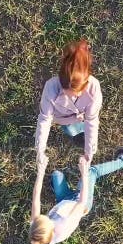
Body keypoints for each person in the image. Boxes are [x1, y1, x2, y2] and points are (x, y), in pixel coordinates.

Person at [30, 147, 123, 244]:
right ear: (52, 229)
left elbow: (36, 197)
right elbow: (82, 201)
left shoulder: (37, 229)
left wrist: (41, 172)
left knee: (56, 175)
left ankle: (62, 187)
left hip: (64, 201)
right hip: (80, 202)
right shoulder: (63, 224)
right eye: (46, 218)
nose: (44, 216)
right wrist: (84, 173)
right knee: (92, 171)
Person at [34, 39, 101, 168]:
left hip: (83, 117)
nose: (72, 95)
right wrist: (40, 151)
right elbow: (44, 120)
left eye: (77, 92)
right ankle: (74, 132)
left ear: (86, 83)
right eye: (66, 91)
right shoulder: (51, 87)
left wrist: (89, 153)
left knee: (85, 131)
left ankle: (80, 134)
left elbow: (91, 121)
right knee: (70, 130)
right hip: (63, 118)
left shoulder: (94, 88)